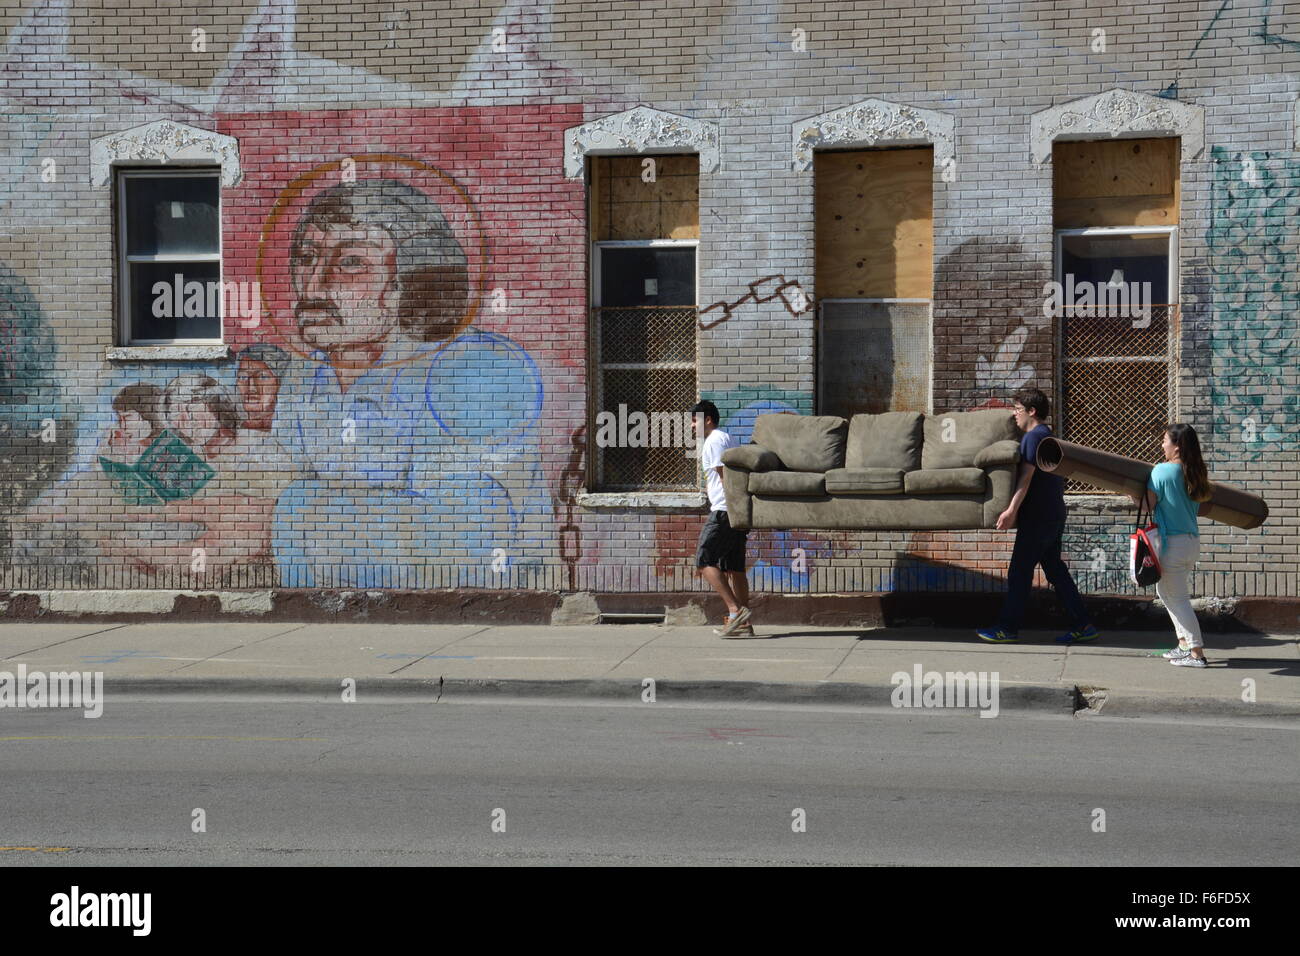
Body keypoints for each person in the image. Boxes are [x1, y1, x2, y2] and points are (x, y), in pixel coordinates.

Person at [268, 178, 549, 585]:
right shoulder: (302, 378)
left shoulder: (473, 371)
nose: (315, 286)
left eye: (351, 263)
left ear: (409, 283)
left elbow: (469, 534)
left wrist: (294, 512)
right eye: (306, 257)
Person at [978, 388, 1100, 645]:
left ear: (1032, 411)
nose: (1014, 415)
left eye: (1018, 409)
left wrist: (1011, 510)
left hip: (1039, 516)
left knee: (1019, 572)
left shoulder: (1033, 437)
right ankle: (1084, 625)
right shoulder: (1047, 436)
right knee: (1055, 570)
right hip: (1053, 513)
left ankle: (1007, 628)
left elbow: (1026, 477)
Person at [1130, 424, 1213, 668]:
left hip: (1172, 544)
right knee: (1166, 593)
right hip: (1190, 542)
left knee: (1177, 598)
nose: (1162, 444)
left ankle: (1197, 654)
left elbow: (1148, 505)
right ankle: (1183, 645)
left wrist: (1131, 495)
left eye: (1165, 440)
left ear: (1176, 446)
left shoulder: (1162, 471)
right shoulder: (1195, 471)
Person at [692, 400, 754, 637]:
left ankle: (735, 611)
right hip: (736, 511)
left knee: (704, 560)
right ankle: (744, 626)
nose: (691, 426)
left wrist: (730, 507)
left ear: (708, 419)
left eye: (695, 420)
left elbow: (724, 475)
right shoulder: (727, 438)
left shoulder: (714, 440)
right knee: (734, 568)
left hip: (724, 511)